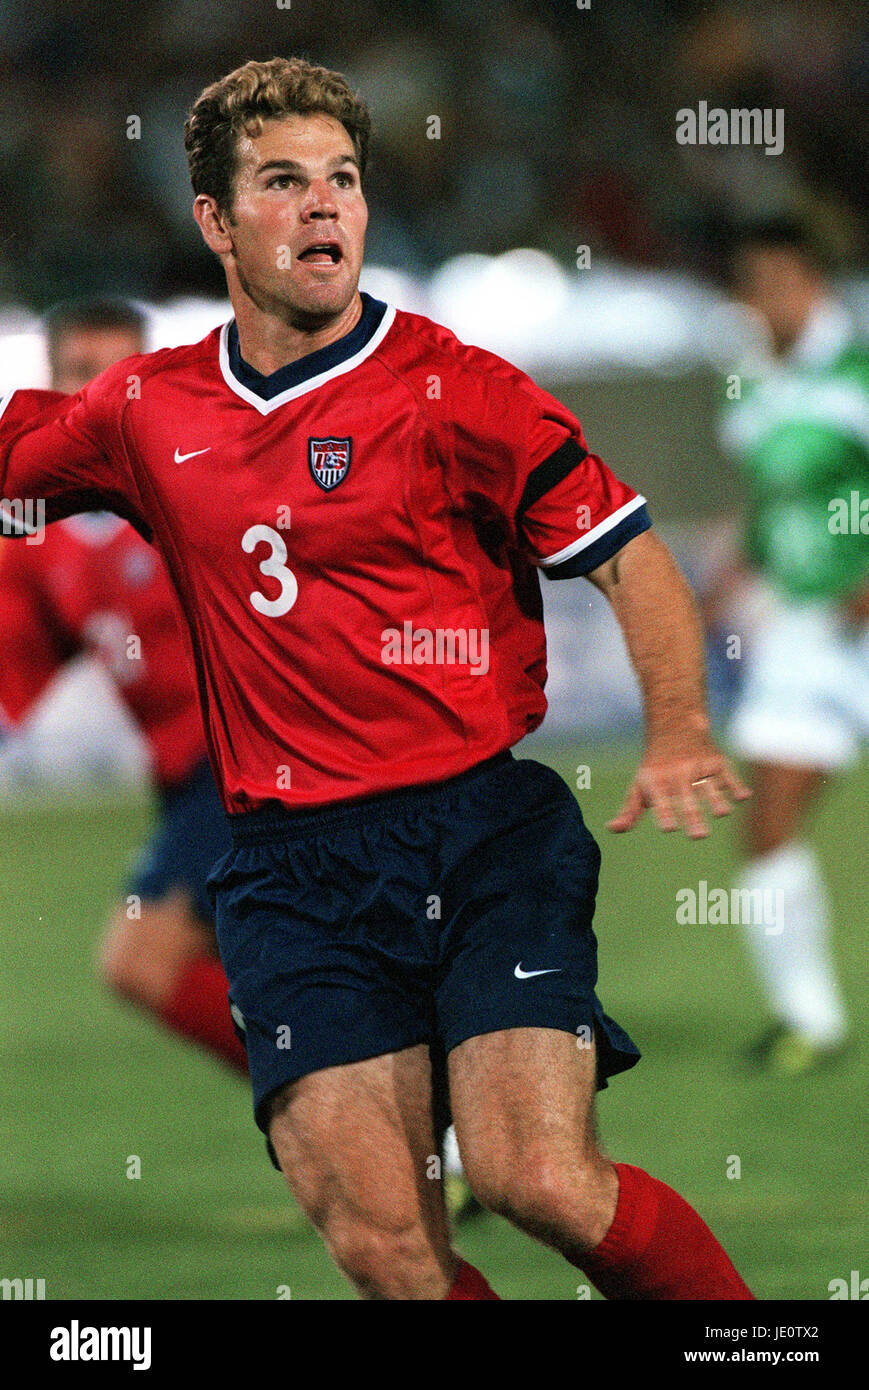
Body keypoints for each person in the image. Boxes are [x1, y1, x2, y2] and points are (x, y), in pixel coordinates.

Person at [0, 57, 754, 1300]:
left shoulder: (457, 389)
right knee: (386, 1250)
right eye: (282, 181)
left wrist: (676, 725)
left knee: (534, 1176)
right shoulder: (144, 411)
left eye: (341, 179)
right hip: (285, 870)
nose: (322, 204)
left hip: (477, 833)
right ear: (215, 221)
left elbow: (628, 555)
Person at [0, 297, 243, 1078]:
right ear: (49, 385)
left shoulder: (212, 484)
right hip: (186, 782)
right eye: (80, 372)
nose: (98, 391)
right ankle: (386, 1120)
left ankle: (371, 1119)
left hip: (260, 757)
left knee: (144, 959)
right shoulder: (38, 536)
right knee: (273, 973)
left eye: (119, 374)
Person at [713, 220, 869, 1072]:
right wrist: (733, 571)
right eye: (754, 284)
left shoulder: (857, 371)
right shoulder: (748, 385)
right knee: (767, 821)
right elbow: (769, 500)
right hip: (807, 631)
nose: (767, 300)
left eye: (782, 281)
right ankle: (808, 1020)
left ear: (816, 285)